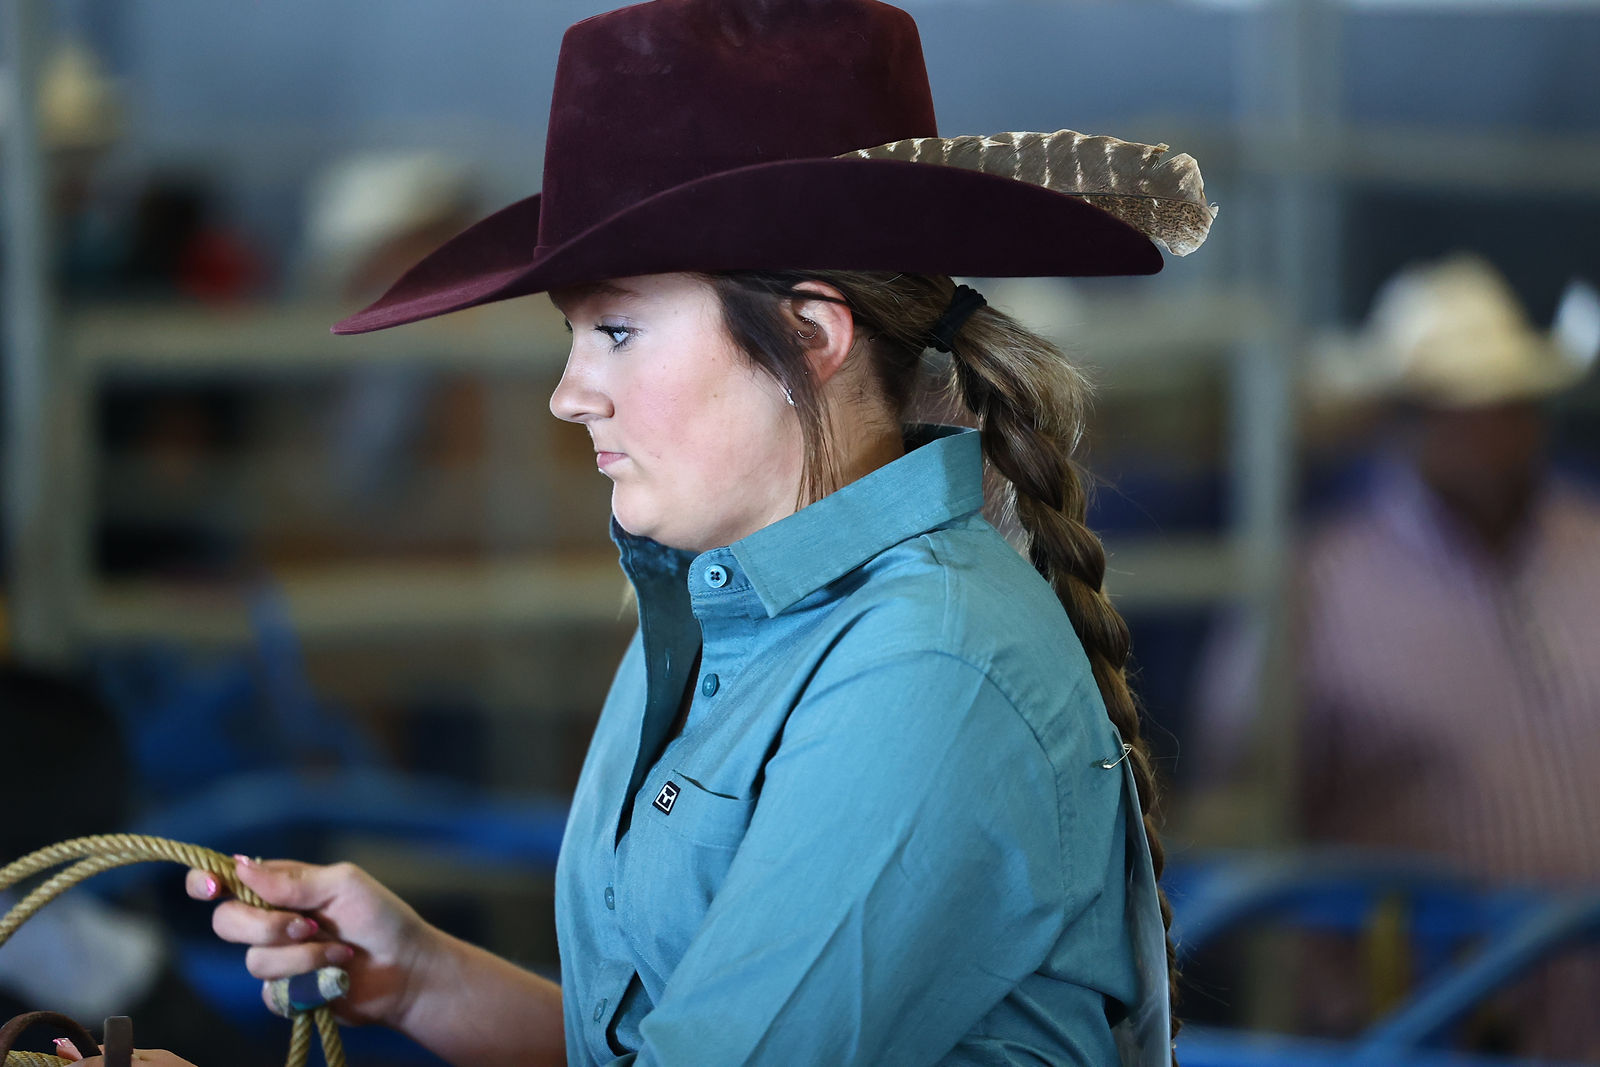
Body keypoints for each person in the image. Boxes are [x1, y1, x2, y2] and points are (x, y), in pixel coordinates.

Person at [67, 1, 1216, 1063]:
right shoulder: (723, 601)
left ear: (811, 334)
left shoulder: (924, 669)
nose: (570, 393)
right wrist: (423, 979)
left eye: (616, 331)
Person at [1191, 254, 1600, 1058]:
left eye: (1504, 402)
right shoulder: (1317, 589)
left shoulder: (1592, 547)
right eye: (1452, 407)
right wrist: (1340, 1002)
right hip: (1435, 1021)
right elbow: (1247, 797)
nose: (1484, 430)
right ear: (1398, 420)